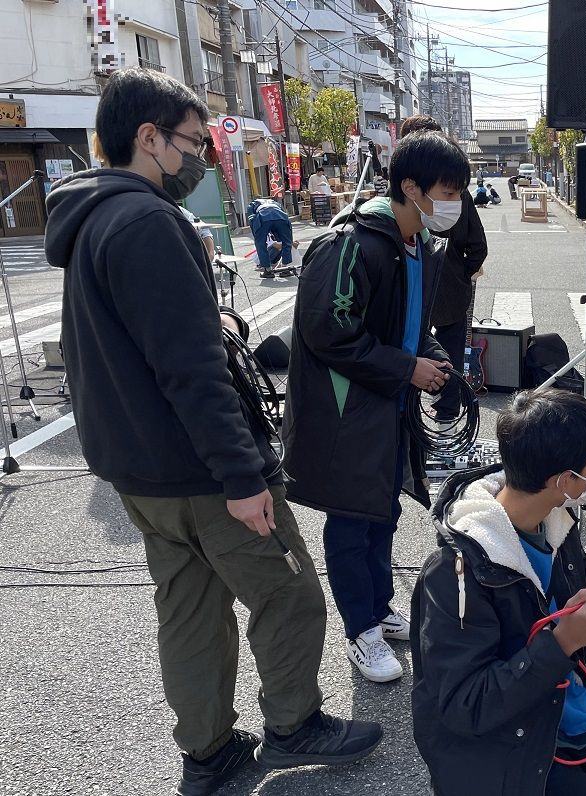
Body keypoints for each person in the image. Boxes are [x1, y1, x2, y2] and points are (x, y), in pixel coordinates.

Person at [43, 68, 382, 796]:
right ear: (148, 137)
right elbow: (191, 371)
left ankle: (208, 751)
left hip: (136, 471)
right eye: (194, 142)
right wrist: (243, 477)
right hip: (199, 468)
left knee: (189, 609)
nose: (203, 157)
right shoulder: (147, 223)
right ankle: (293, 727)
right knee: (288, 595)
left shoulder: (89, 216)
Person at [411, 389, 586, 796]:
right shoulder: (454, 573)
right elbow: (465, 704)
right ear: (564, 481)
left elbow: (575, 593)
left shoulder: (552, 520)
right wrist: (562, 644)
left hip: (569, 717)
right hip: (513, 753)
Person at [282, 130, 469, 683]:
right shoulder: (354, 244)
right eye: (447, 190)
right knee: (351, 520)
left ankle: (379, 608)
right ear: (410, 187)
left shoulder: (418, 246)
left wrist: (435, 362)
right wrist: (407, 368)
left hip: (385, 407)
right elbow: (328, 331)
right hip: (347, 413)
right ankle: (359, 631)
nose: (454, 203)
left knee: (381, 512)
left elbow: (410, 327)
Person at [400, 114, 488, 427]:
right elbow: (478, 247)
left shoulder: (400, 198)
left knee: (413, 352)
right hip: (449, 293)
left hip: (419, 293)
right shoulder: (458, 196)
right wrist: (461, 276)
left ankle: (413, 413)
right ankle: (447, 412)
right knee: (444, 354)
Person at [246, 197, 293, 279]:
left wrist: (256, 236)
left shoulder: (252, 205)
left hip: (263, 218)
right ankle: (285, 268)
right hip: (281, 217)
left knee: (261, 244)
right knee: (286, 242)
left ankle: (267, 270)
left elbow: (252, 220)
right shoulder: (275, 203)